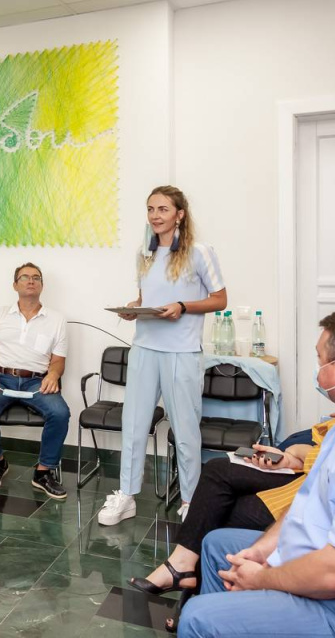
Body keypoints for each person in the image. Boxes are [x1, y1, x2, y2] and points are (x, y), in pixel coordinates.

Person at [178, 307, 335, 637]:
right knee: (217, 544)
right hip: (322, 557)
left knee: (198, 618)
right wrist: (264, 549)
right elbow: (307, 504)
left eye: (320, 359)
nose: (317, 369)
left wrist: (262, 578)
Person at [98, 185, 227, 526]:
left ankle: (190, 500)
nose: (155, 216)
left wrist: (183, 306)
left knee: (185, 431)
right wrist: (133, 308)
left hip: (181, 352)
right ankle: (127, 496)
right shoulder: (144, 253)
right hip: (144, 348)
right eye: (151, 209)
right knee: (133, 425)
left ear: (179, 214)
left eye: (163, 209)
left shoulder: (199, 252)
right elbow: (146, 298)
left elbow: (220, 299)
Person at [129, 419, 332, 630]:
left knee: (229, 507)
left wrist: (300, 452)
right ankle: (185, 575)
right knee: (217, 472)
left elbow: (330, 460)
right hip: (306, 468)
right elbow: (322, 446)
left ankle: (191, 591)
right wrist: (293, 455)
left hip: (310, 483)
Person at [0, 262, 71, 498]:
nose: (31, 281)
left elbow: (58, 361)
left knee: (60, 413)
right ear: (15, 285)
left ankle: (44, 472)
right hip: (0, 378)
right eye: (25, 277)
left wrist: (53, 375)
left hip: (36, 382)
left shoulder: (57, 319)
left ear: (42, 285)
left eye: (36, 278)